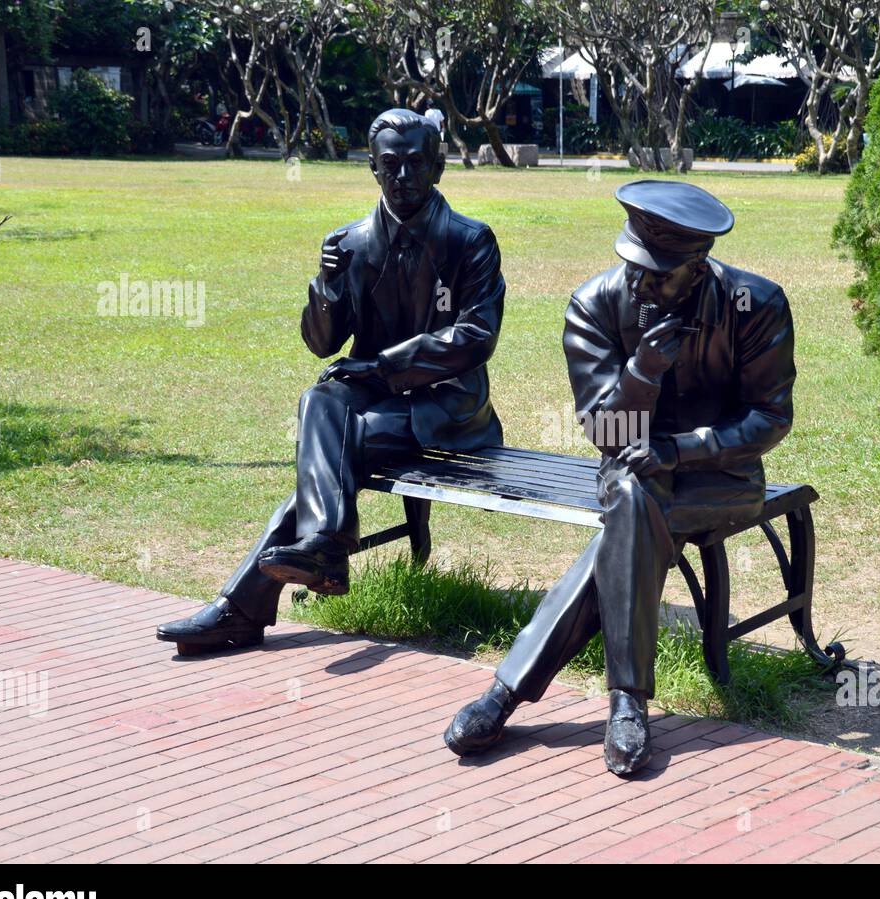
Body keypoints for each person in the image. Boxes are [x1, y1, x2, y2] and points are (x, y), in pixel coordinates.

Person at [444, 180, 796, 776]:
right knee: (632, 497)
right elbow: (608, 436)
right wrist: (643, 371)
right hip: (628, 472)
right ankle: (626, 701)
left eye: (658, 274)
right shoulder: (596, 305)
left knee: (630, 517)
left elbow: (770, 416)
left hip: (722, 479)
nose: (640, 281)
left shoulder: (755, 304)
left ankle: (506, 695)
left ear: (698, 266)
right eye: (632, 263)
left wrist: (681, 451)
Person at [157, 108, 506, 653]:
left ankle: (253, 598)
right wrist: (325, 284)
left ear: (438, 168)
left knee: (330, 453)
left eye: (417, 164)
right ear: (371, 167)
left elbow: (476, 337)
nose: (403, 176)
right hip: (370, 403)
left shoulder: (471, 241)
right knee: (320, 398)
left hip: (446, 409)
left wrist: (380, 367)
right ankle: (320, 546)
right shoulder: (350, 243)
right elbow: (323, 344)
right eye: (390, 164)